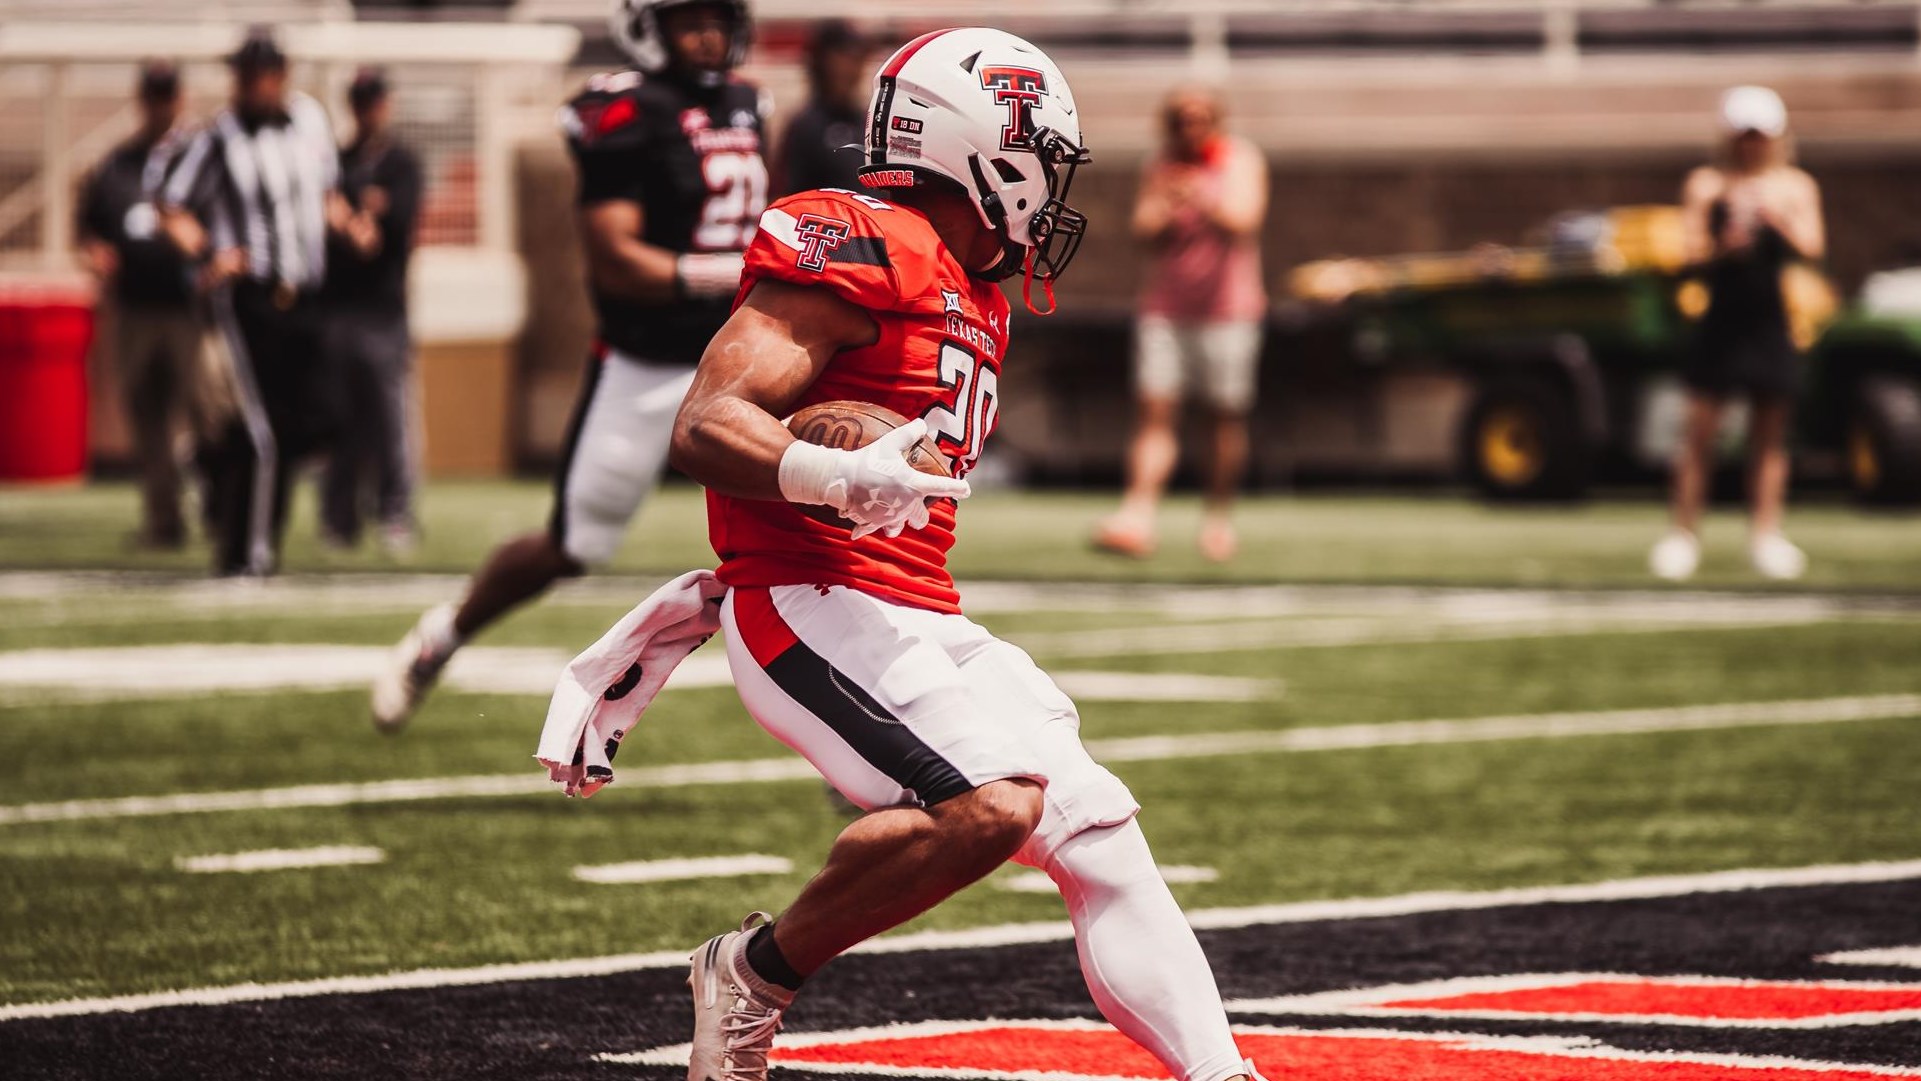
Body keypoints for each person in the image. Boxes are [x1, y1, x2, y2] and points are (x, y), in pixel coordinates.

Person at [666, 28, 1267, 1081]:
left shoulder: (972, 286)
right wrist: (829, 472)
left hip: (918, 609)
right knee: (992, 802)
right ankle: (751, 973)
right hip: (803, 596)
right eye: (1043, 160)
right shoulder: (866, 240)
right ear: (985, 153)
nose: (1052, 188)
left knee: (1098, 831)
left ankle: (1223, 1075)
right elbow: (706, 422)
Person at [370, 0, 768, 731]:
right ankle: (440, 638)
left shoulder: (747, 101)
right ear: (650, 27)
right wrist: (728, 271)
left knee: (814, 523)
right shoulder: (622, 110)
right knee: (573, 544)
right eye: (689, 20)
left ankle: (861, 733)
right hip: (646, 362)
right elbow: (615, 260)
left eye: (718, 17)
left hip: (742, 357)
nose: (708, 34)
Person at [160, 28, 342, 576]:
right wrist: (209, 255)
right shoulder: (220, 137)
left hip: (307, 297)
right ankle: (248, 554)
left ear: (281, 76)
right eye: (244, 75)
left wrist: (352, 226)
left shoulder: (309, 119)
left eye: (261, 74)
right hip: (251, 298)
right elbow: (172, 205)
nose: (252, 84)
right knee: (265, 432)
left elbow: (326, 194)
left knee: (307, 426)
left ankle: (211, 468)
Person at [1651, 85, 1825, 582]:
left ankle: (1766, 535)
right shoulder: (1708, 184)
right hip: (1721, 318)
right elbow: (1688, 254)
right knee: (1700, 433)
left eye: (1759, 136)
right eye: (1744, 135)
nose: (1751, 145)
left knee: (1769, 435)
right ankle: (1683, 535)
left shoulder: (1793, 186)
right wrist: (1724, 245)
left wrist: (1774, 220)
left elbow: (1813, 247)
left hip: (1768, 318)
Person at [1094, 86, 1268, 563]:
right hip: (1167, 309)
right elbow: (1143, 231)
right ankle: (1138, 515)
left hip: (1228, 310)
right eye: (1180, 120)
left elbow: (1244, 221)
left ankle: (1217, 519)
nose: (1189, 129)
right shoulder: (1160, 164)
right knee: (1154, 411)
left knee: (1223, 416)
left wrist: (1201, 196)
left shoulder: (1240, 160)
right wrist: (1167, 204)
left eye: (1198, 119)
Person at [77, 60, 234, 551]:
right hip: (135, 307)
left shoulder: (199, 157)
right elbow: (91, 229)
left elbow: (221, 225)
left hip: (189, 310)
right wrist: (96, 254)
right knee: (147, 417)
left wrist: (201, 247)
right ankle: (164, 518)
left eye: (168, 94)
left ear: (180, 98)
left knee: (210, 413)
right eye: (153, 94)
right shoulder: (117, 164)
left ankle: (224, 507)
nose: (161, 104)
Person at [321, 68, 424, 556]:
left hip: (383, 311)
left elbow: (385, 232)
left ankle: (395, 512)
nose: (368, 110)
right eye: (361, 101)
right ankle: (339, 518)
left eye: (374, 100)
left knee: (389, 418)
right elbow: (334, 227)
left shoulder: (401, 163)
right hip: (338, 309)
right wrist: (355, 219)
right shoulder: (337, 162)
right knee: (340, 418)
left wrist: (351, 220)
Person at [773, 19, 872, 195]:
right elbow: (786, 195)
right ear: (820, 63)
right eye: (842, 57)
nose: (850, 68)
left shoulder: (868, 123)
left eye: (856, 58)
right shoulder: (805, 127)